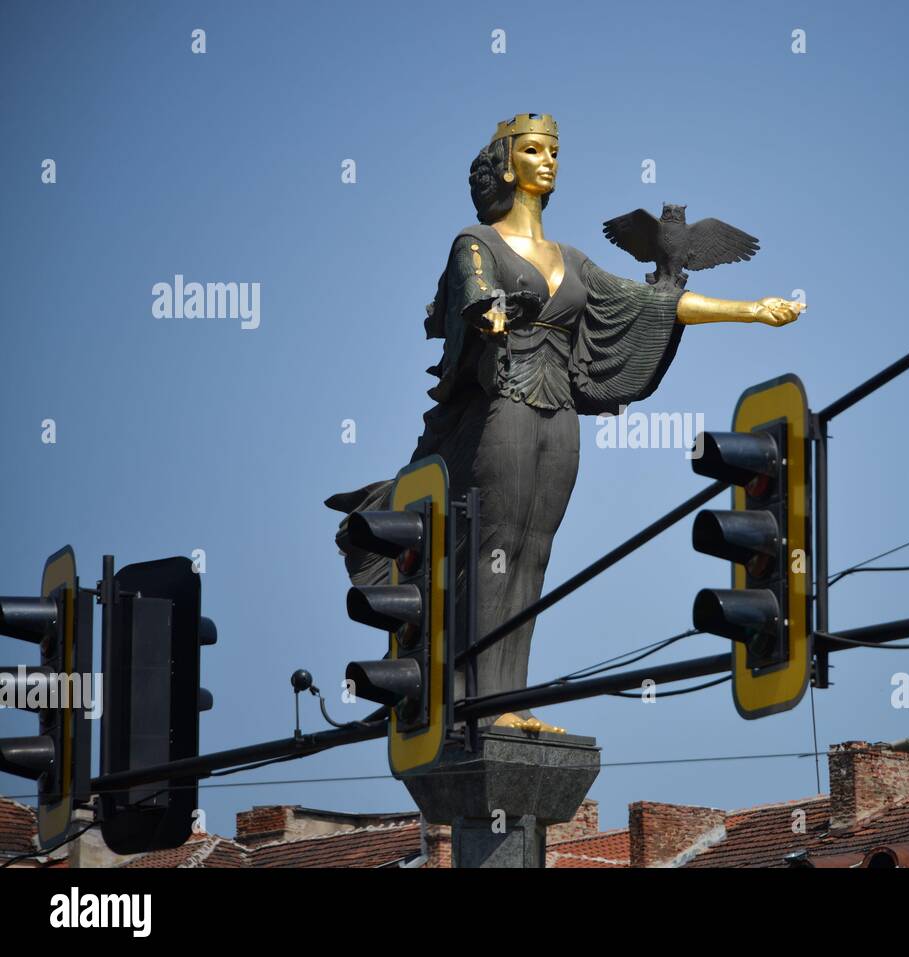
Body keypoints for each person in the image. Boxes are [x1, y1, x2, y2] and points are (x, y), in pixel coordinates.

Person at [327, 113, 804, 734]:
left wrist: (749, 311)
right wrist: (492, 315)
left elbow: (654, 303)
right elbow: (471, 295)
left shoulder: (572, 259)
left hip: (560, 414)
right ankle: (474, 695)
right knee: (497, 547)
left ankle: (509, 700)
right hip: (506, 406)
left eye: (554, 151)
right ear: (505, 165)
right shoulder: (476, 242)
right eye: (532, 150)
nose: (548, 160)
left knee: (535, 554)